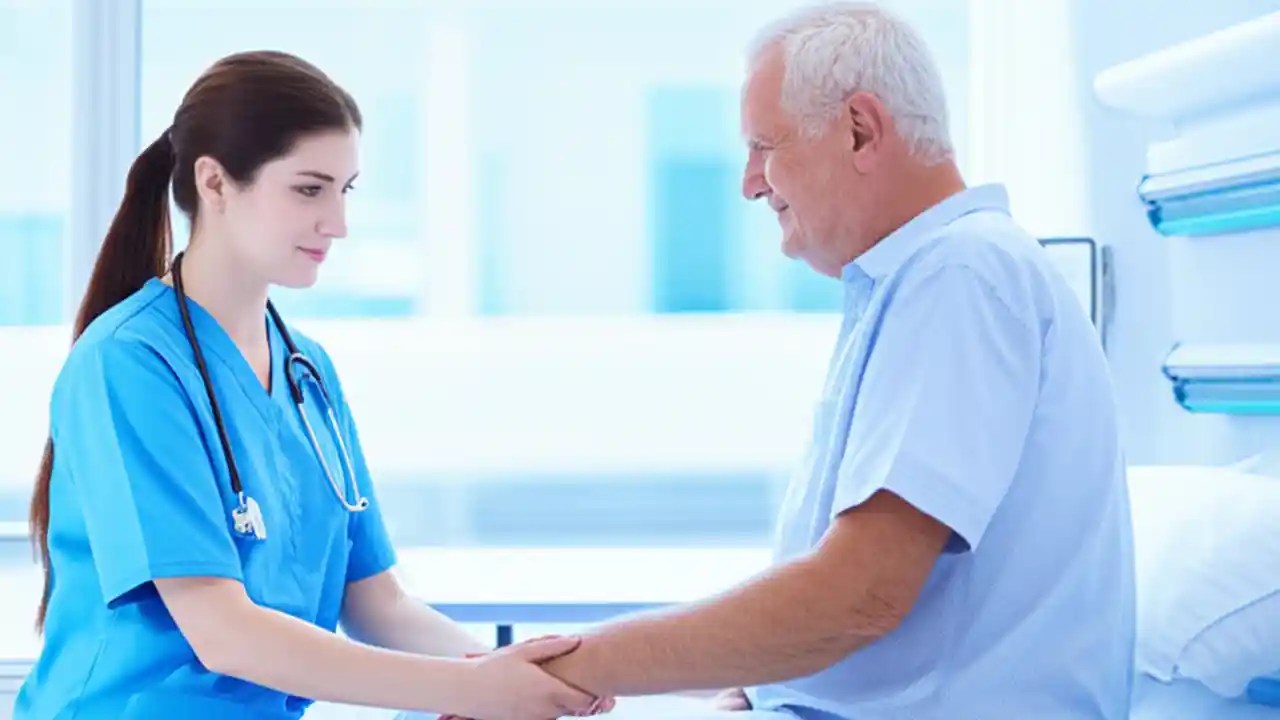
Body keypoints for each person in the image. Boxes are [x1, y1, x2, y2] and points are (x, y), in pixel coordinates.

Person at [464, 3, 1136, 719]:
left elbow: (859, 594)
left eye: (764, 147)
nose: (750, 183)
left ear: (859, 130)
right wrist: (759, 685)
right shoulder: (924, 281)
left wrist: (577, 666)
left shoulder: (962, 275)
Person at [16, 50, 608, 720]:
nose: (339, 222)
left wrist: (518, 678)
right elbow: (224, 633)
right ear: (214, 183)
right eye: (309, 189)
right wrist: (473, 688)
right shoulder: (127, 364)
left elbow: (377, 604)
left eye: (345, 189)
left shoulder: (308, 373)